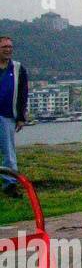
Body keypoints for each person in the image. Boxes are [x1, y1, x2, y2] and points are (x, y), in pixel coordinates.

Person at [0, 36, 29, 197]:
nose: (8, 49)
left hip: (7, 115)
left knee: (8, 152)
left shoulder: (17, 68)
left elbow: (23, 93)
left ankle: (10, 183)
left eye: (10, 47)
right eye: (4, 46)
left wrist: (20, 116)